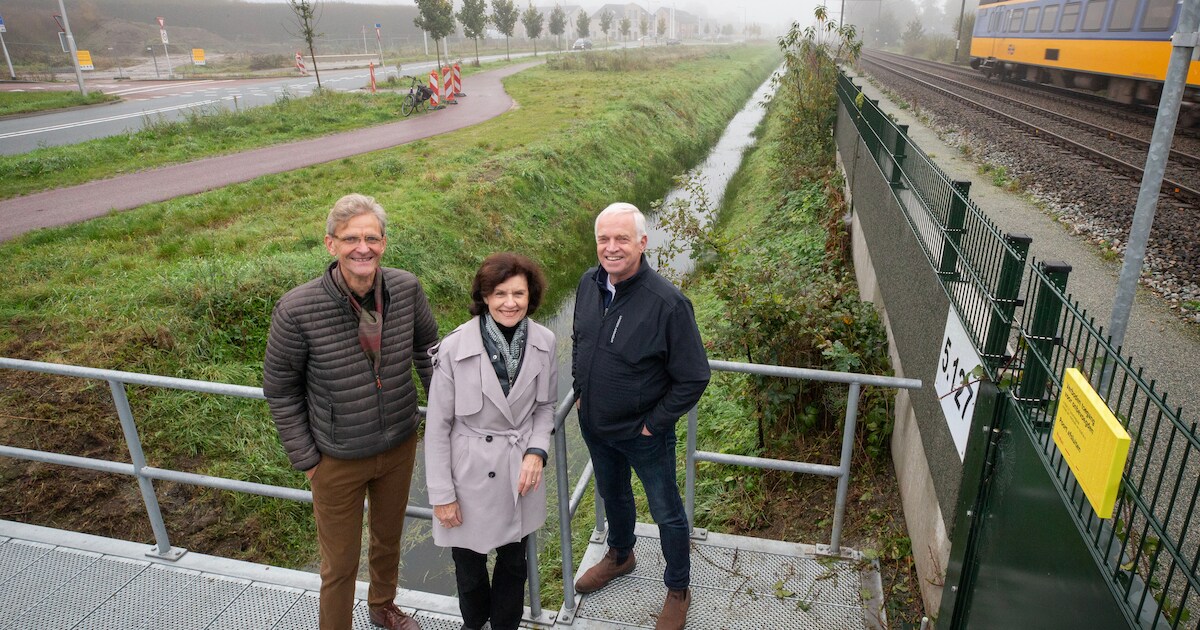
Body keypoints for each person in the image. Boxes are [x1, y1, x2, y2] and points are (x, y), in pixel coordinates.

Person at [263, 193, 438, 630]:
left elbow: (429, 351)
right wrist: (308, 461)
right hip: (336, 458)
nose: (363, 248)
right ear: (331, 245)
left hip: (398, 443)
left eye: (372, 238)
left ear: (383, 242)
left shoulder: (406, 287)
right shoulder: (297, 309)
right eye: (351, 238)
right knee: (339, 563)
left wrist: (443, 412)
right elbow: (280, 390)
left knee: (387, 540)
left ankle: (383, 608)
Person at [571, 202, 711, 630]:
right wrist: (580, 390)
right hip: (597, 427)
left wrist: (654, 423)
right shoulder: (587, 284)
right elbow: (580, 339)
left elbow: (693, 377)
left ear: (642, 243)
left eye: (622, 239)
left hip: (644, 434)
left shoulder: (667, 303)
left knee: (667, 511)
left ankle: (678, 587)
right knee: (613, 496)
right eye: (604, 239)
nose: (611, 248)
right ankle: (620, 555)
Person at [424, 252, 558, 630]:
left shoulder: (545, 342)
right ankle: (473, 623)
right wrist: (442, 494)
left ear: (531, 296)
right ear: (484, 296)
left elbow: (545, 407)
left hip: (520, 471)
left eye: (519, 293)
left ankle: (504, 625)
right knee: (467, 563)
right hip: (467, 474)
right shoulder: (454, 347)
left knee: (515, 562)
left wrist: (537, 451)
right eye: (500, 293)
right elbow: (437, 427)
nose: (510, 303)